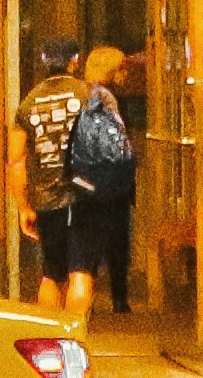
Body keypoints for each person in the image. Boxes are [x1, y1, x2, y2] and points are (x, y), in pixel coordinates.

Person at [59, 45, 141, 329]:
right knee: (115, 241)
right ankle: (117, 299)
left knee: (87, 246)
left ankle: (91, 300)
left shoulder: (80, 95)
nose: (127, 75)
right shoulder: (108, 100)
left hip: (83, 182)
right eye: (122, 69)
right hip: (108, 182)